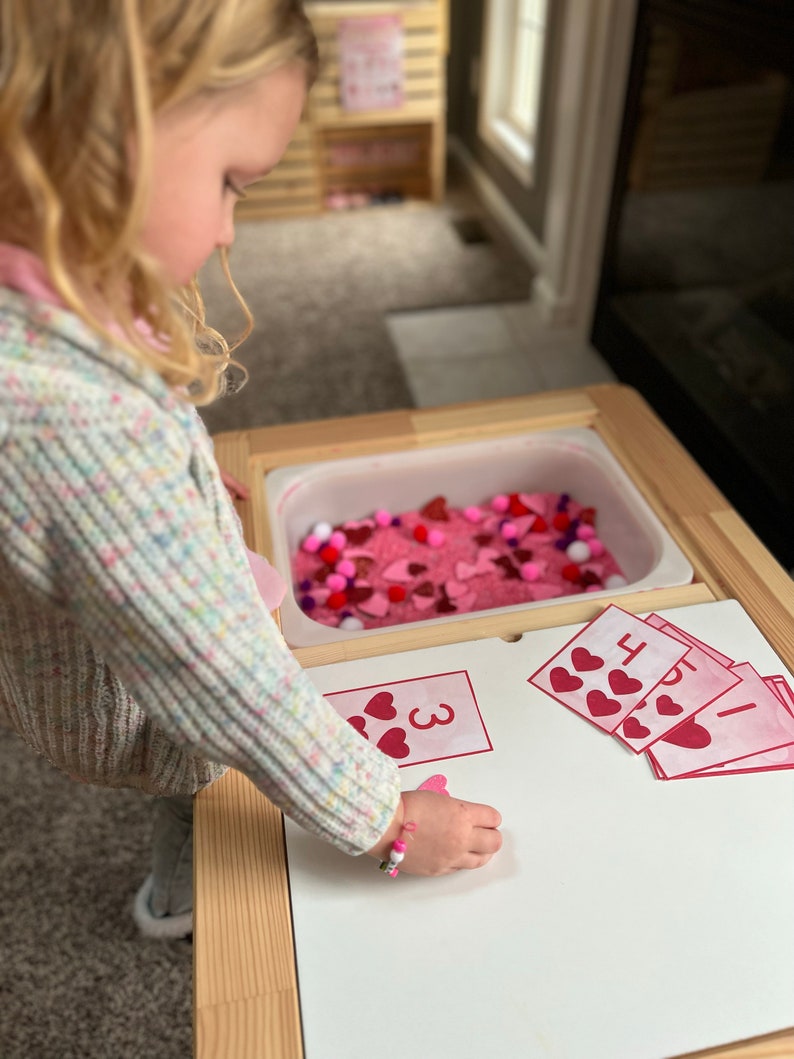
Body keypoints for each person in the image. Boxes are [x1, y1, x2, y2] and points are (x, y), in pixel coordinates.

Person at [0, 0, 502, 941]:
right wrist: (385, 819)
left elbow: (114, 417)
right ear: (108, 132)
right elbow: (218, 679)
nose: (231, 231)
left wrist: (170, 487)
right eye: (231, 183)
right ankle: (178, 897)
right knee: (206, 781)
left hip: (119, 661)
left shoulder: (47, 271)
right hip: (140, 708)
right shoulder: (70, 422)